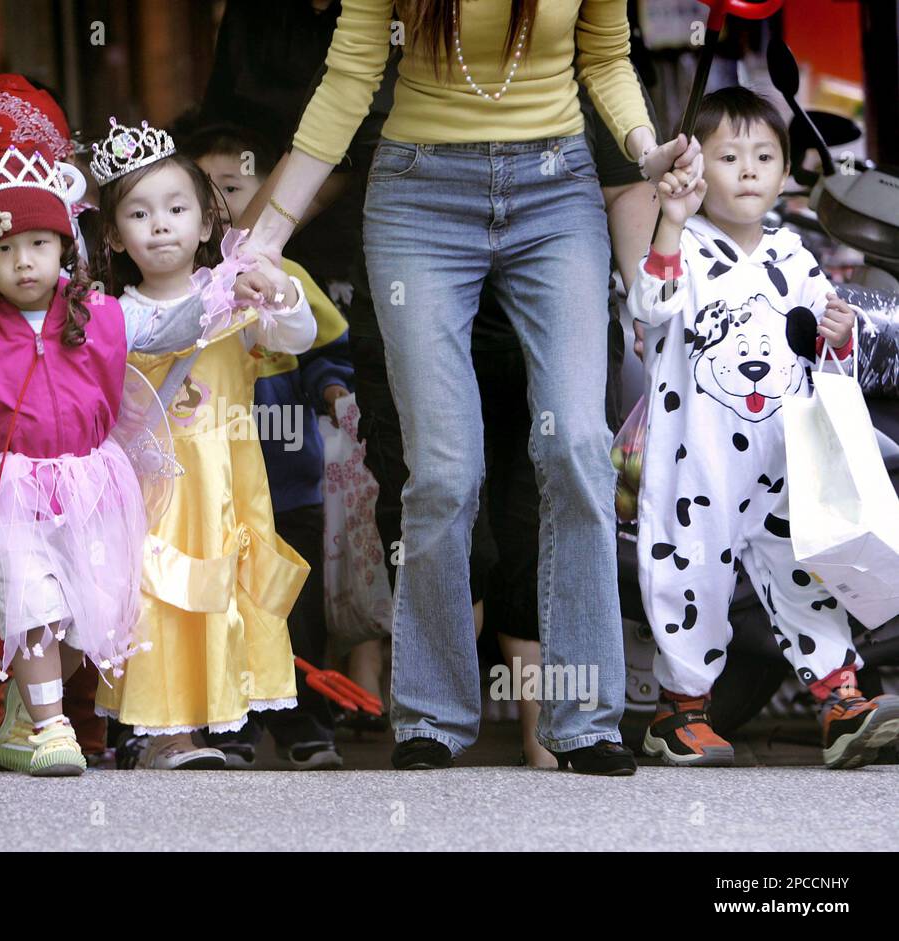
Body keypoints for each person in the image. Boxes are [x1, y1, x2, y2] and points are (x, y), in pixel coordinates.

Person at [243, 0, 703, 774]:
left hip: (557, 189)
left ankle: (585, 717)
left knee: (578, 447)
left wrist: (645, 149)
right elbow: (350, 77)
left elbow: (605, 58)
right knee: (445, 469)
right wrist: (265, 237)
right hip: (419, 192)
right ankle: (431, 714)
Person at [0, 87, 260, 776]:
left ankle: (18, 714)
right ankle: (52, 724)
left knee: (75, 616)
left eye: (40, 243)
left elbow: (166, 325)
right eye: (6, 249)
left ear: (65, 246)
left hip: (90, 484)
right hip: (7, 486)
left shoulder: (96, 313)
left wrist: (220, 290)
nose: (26, 260)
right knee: (30, 596)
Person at [629, 87, 899, 770]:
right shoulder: (685, 250)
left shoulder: (794, 258)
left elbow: (822, 347)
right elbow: (649, 305)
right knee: (692, 580)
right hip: (699, 465)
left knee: (806, 575)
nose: (747, 170)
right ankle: (680, 712)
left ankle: (842, 704)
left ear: (785, 175)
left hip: (784, 465)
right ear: (695, 170)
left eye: (763, 156)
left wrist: (841, 335)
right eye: (727, 156)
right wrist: (668, 218)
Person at [89, 117, 318, 769]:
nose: (160, 225)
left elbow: (297, 336)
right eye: (138, 212)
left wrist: (279, 288)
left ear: (207, 222)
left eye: (177, 207)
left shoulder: (231, 296)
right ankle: (162, 733)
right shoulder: (111, 316)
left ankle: (208, 722)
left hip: (226, 490)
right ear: (113, 233)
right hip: (152, 495)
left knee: (219, 595)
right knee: (158, 596)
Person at [190, 122, 354, 769]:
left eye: (235, 186)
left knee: (297, 607)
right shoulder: (190, 289)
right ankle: (231, 723)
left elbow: (322, 352)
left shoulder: (287, 276)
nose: (227, 202)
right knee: (222, 604)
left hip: (289, 479)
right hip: (214, 490)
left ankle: (305, 720)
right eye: (208, 193)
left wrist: (335, 391)